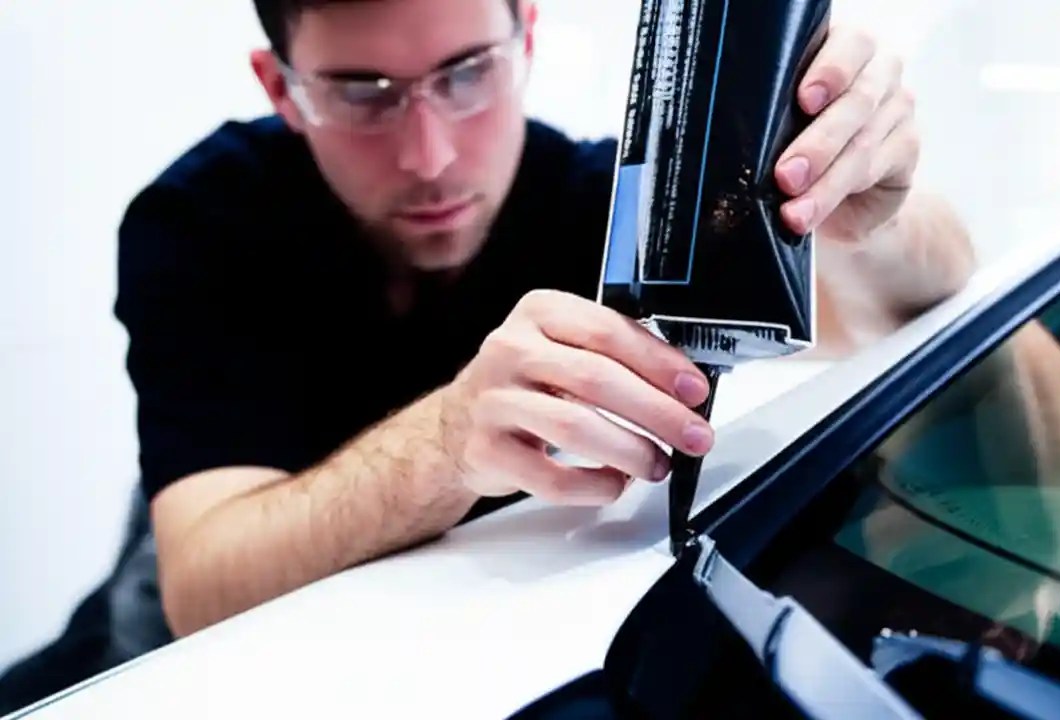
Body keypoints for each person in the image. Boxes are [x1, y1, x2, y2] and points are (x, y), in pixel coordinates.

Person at [107, 0, 976, 641]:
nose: (432, 157)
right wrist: (447, 440)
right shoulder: (202, 218)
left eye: (467, 73)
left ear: (525, 36)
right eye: (363, 93)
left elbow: (920, 301)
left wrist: (869, 214)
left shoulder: (602, 204)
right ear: (281, 89)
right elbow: (200, 589)